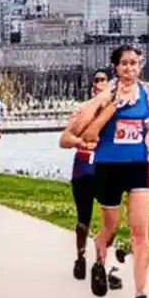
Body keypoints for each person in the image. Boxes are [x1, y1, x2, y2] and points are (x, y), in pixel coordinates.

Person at [73, 44, 149, 298]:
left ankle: (141, 296)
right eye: (124, 64)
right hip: (108, 166)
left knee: (140, 233)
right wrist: (109, 110)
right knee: (110, 227)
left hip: (137, 165)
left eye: (134, 63)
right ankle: (99, 261)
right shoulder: (106, 95)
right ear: (116, 67)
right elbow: (87, 133)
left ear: (140, 65)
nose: (129, 68)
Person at [58, 68, 116, 281]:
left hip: (107, 170)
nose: (99, 83)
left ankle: (102, 262)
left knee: (110, 219)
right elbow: (64, 139)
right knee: (84, 217)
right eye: (96, 80)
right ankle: (80, 256)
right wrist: (80, 142)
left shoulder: (116, 111)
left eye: (103, 80)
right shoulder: (84, 110)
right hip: (83, 169)